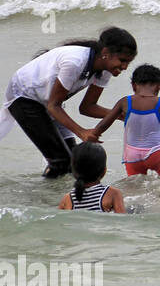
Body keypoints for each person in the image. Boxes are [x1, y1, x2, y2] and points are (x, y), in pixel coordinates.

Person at [0, 27, 137, 177]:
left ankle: (66, 198)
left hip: (47, 101)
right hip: (24, 95)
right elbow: (54, 106)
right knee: (61, 161)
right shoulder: (74, 62)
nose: (124, 67)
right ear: (105, 53)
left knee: (75, 164)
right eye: (122, 60)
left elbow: (87, 107)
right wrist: (82, 132)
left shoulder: (105, 70)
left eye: (128, 63)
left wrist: (121, 115)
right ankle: (50, 200)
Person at [89, 63, 160, 177]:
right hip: (155, 152)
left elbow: (106, 121)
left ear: (133, 85)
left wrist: (95, 134)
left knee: (134, 186)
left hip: (132, 155)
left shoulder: (124, 102)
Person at [57, 142, 125, 213]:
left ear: (73, 171)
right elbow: (122, 221)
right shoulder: (112, 193)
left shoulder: (67, 199)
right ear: (104, 171)